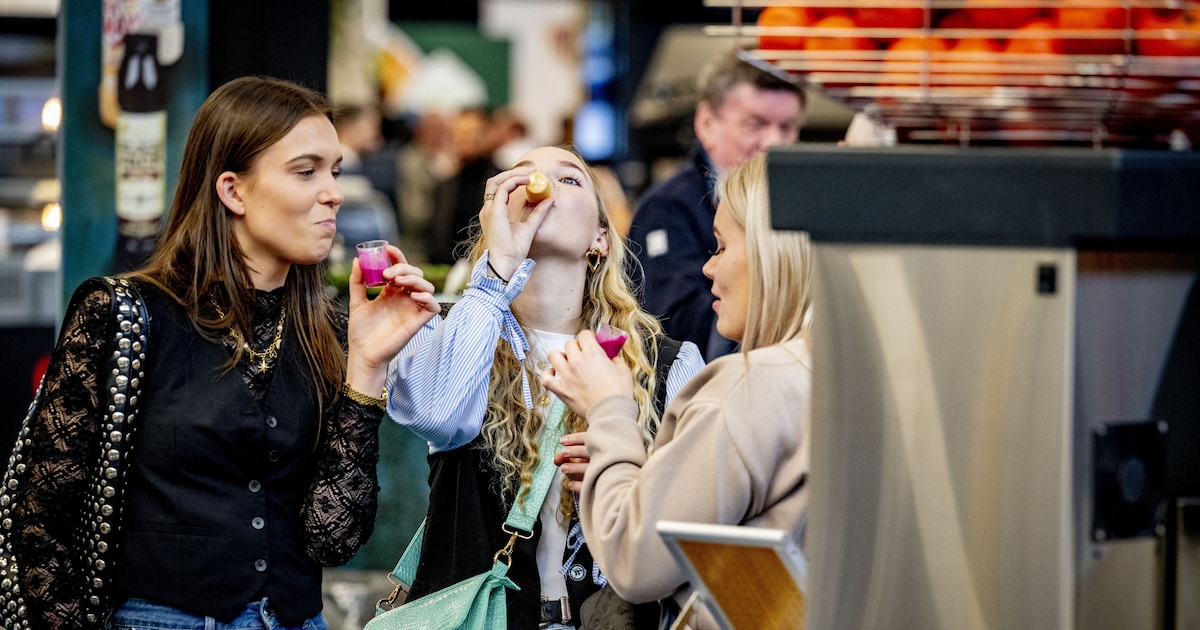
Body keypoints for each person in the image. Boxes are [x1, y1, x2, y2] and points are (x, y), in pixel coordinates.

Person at [6, 76, 441, 629]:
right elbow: (39, 520)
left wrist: (367, 368)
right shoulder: (123, 314)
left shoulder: (327, 328)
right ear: (233, 190)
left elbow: (332, 540)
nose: (333, 190)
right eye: (306, 171)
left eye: (335, 169)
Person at [385, 145, 706, 628]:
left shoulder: (672, 362)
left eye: (570, 179)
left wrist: (630, 468)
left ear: (600, 236)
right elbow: (440, 413)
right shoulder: (449, 336)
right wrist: (498, 269)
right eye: (522, 176)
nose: (543, 185)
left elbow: (695, 529)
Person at [543, 153, 812, 629]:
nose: (709, 269)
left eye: (721, 247)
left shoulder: (744, 385)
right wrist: (638, 474)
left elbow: (635, 560)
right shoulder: (835, 375)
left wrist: (609, 411)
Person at [628, 48, 805, 361]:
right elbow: (674, 328)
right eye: (755, 124)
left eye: (787, 127)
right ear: (707, 122)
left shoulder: (799, 204)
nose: (773, 143)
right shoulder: (668, 209)